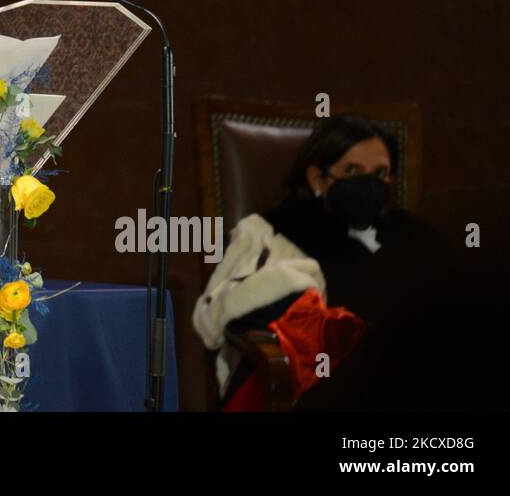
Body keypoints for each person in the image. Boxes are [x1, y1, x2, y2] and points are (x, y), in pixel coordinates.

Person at [193, 115, 454, 410]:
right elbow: (215, 314)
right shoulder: (272, 232)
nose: (368, 184)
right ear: (317, 178)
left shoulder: (410, 231)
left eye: (380, 173)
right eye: (352, 170)